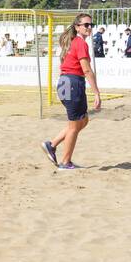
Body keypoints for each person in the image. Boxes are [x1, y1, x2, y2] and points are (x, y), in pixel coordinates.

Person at [42, 13, 101, 170]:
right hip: (71, 84)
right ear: (77, 27)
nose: (89, 27)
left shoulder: (75, 42)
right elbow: (87, 70)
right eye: (86, 25)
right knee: (74, 126)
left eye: (91, 25)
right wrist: (96, 93)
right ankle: (65, 162)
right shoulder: (80, 43)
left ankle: (52, 145)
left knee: (83, 121)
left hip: (69, 83)